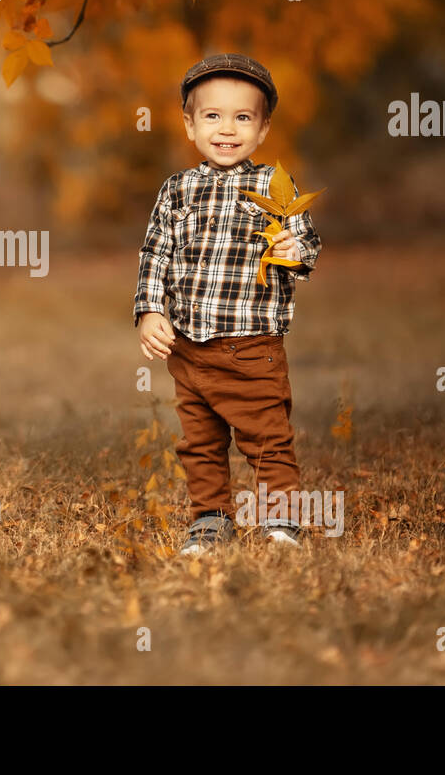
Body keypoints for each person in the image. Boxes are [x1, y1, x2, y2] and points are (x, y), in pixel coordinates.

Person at [132, 53, 322, 555]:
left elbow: (307, 242)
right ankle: (210, 520)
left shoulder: (273, 187)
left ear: (262, 130)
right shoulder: (177, 190)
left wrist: (293, 252)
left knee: (266, 438)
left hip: (252, 346)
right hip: (189, 349)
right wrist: (151, 310)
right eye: (212, 116)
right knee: (200, 443)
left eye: (243, 117)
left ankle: (281, 522)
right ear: (190, 126)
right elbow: (156, 252)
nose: (227, 129)